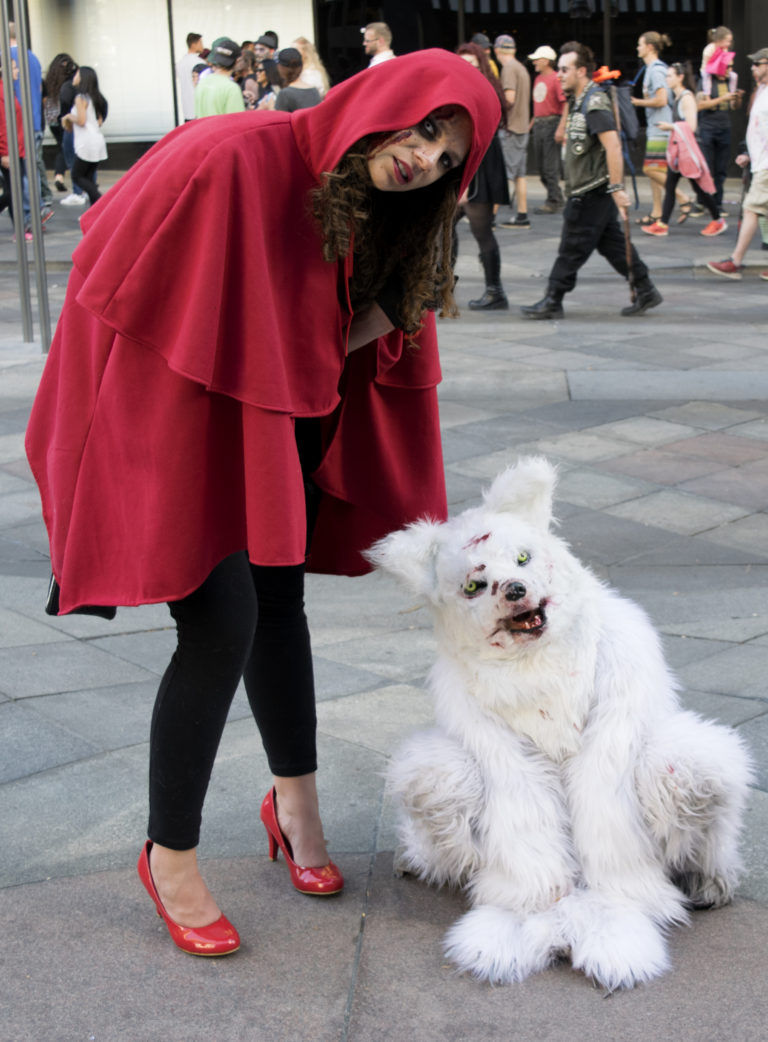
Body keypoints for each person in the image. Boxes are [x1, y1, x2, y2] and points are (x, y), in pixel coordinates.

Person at [24, 49, 499, 958]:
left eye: (448, 160)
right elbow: (111, 295)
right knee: (221, 621)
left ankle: (295, 807)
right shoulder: (232, 150)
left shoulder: (381, 212)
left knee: (277, 601)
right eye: (430, 128)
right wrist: (105, 450)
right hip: (183, 418)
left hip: (286, 420)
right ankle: (170, 855)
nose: (425, 160)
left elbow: (331, 339)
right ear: (390, 100)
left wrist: (389, 309)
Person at [520, 41, 662, 320]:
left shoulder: (594, 103)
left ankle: (553, 297)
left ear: (581, 71)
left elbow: (612, 146)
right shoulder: (578, 100)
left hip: (590, 190)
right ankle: (645, 289)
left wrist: (618, 188)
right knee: (614, 246)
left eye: (564, 69)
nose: (559, 74)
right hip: (589, 188)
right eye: (558, 69)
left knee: (571, 246)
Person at [641, 62, 725, 237]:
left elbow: (692, 126)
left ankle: (717, 220)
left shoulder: (686, 98)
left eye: (670, 76)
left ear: (680, 77)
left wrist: (670, 127)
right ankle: (662, 224)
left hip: (689, 150)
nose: (667, 79)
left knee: (698, 187)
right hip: (680, 151)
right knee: (671, 186)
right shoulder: (679, 97)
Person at [456, 42, 510, 309]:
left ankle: (495, 291)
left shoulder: (481, 93)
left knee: (481, 231)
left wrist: (465, 184)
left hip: (479, 169)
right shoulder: (460, 91)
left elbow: (478, 140)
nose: (468, 71)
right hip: (467, 168)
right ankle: (441, 285)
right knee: (443, 229)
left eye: (473, 66)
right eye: (463, 65)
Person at [707, 47, 768, 280]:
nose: (752, 68)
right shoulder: (761, 90)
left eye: (757, 64)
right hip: (760, 161)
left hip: (766, 166)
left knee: (751, 208)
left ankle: (736, 261)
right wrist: (749, 153)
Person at [631, 32, 688, 224]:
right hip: (656, 127)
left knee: (650, 170)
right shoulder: (653, 69)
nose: (637, 48)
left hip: (660, 127)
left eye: (640, 44)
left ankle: (682, 198)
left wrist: (637, 102)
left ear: (650, 47)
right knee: (656, 170)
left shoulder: (655, 71)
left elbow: (662, 100)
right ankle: (656, 211)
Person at [697, 28, 742, 217]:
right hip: (708, 126)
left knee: (721, 169)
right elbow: (700, 104)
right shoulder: (707, 78)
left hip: (724, 127)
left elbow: (734, 106)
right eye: (727, 67)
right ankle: (703, 201)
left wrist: (736, 98)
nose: (729, 70)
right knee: (706, 166)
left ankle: (717, 202)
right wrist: (719, 100)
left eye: (731, 67)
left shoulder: (729, 80)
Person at [9, 22, 53, 214]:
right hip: (34, 120)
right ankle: (39, 206)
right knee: (31, 167)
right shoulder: (33, 58)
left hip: (17, 123)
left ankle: (33, 211)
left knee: (22, 171)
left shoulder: (7, 58)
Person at [494, 34, 531, 229]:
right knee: (519, 175)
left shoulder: (508, 68)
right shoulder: (521, 68)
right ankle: (522, 216)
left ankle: (488, 218)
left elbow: (509, 99)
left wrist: (494, 109)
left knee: (504, 173)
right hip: (522, 127)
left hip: (511, 129)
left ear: (497, 50)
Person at [61, 65, 107, 207]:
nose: (74, 77)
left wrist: (68, 116)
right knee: (88, 178)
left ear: (82, 79)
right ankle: (96, 213)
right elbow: (99, 121)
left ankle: (101, 203)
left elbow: (81, 120)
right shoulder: (95, 97)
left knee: (77, 176)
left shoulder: (80, 98)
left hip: (86, 142)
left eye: (77, 75)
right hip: (97, 140)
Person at [527, 44, 566, 214]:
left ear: (546, 61)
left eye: (537, 59)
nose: (535, 62)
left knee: (550, 167)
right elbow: (539, 103)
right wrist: (532, 123)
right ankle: (556, 197)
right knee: (542, 168)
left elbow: (565, 104)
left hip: (551, 123)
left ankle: (554, 200)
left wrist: (561, 127)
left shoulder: (556, 79)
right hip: (540, 124)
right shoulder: (538, 79)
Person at [43, 53, 77, 193]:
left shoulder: (49, 80)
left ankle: (60, 176)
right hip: (64, 118)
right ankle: (63, 177)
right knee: (66, 148)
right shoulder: (68, 82)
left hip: (51, 120)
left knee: (61, 148)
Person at [194, 38, 244, 117]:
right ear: (237, 60)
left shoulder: (202, 82)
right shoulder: (232, 88)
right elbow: (237, 123)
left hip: (203, 129)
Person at [176, 32, 204, 123]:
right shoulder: (199, 62)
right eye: (201, 43)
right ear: (194, 44)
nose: (202, 46)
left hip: (187, 109)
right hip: (199, 110)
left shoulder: (180, 63)